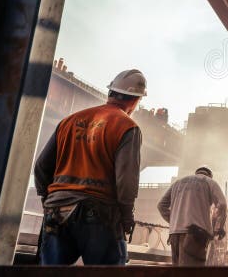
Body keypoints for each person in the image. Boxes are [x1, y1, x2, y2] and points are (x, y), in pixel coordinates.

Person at [34, 69, 147, 265]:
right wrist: (127, 216)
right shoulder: (127, 127)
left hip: (56, 211)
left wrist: (49, 198)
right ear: (135, 100)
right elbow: (126, 182)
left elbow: (42, 166)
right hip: (99, 212)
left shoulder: (69, 121)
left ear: (110, 93)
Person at [158, 165, 227, 266]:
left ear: (197, 173)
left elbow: (161, 205)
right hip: (196, 234)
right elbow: (222, 204)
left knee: (177, 270)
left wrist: (174, 220)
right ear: (209, 175)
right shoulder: (209, 182)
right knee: (193, 271)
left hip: (175, 233)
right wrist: (219, 227)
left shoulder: (178, 183)